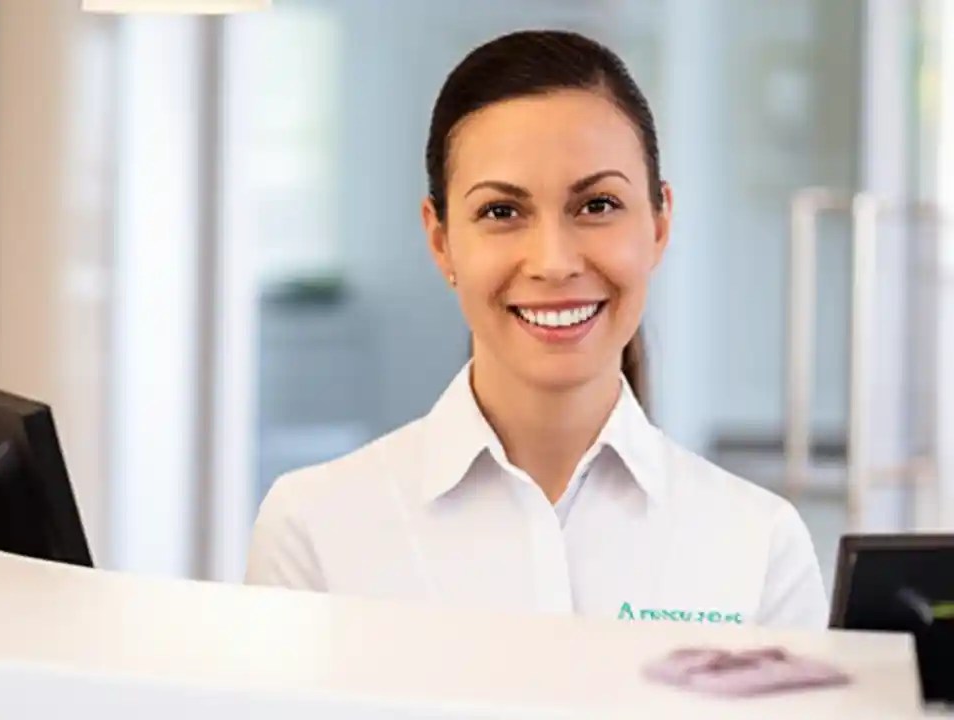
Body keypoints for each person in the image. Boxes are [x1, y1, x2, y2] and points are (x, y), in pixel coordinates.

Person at [244, 29, 828, 629]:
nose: (554, 261)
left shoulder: (758, 548)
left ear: (658, 225)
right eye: (502, 212)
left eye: (597, 205)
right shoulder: (314, 529)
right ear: (442, 241)